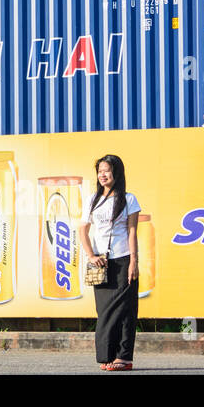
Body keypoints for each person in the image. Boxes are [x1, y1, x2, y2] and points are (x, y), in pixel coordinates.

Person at [79, 153, 140, 371]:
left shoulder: (129, 199)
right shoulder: (92, 200)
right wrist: (91, 256)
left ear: (117, 173)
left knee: (126, 310)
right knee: (104, 310)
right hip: (101, 262)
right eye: (100, 171)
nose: (102, 175)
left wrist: (134, 261)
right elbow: (82, 230)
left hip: (123, 259)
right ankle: (107, 355)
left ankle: (124, 357)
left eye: (107, 170)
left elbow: (132, 232)